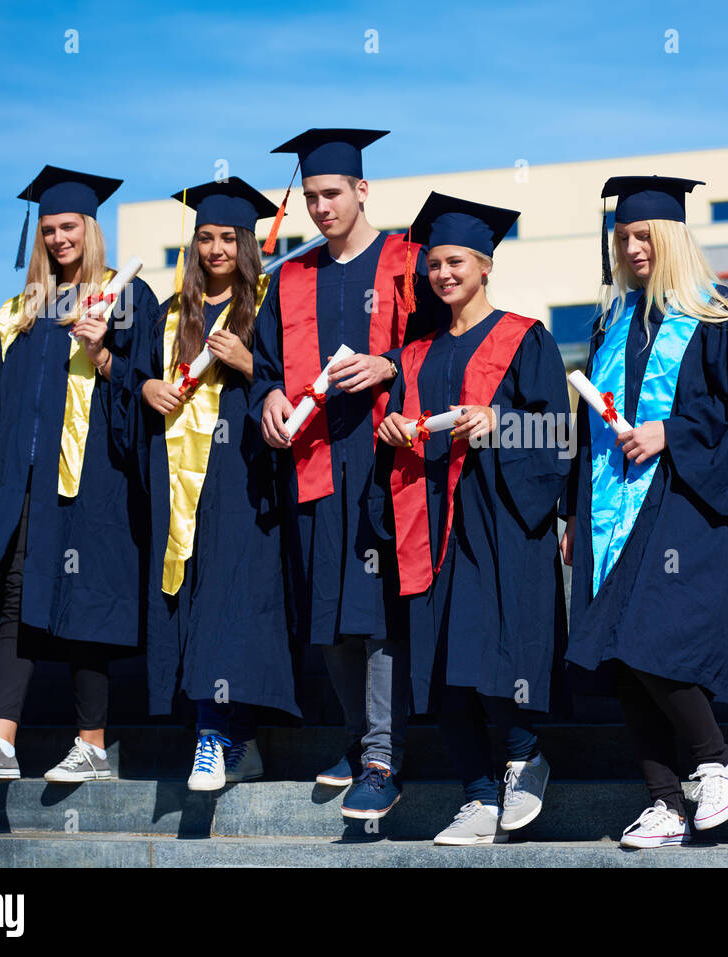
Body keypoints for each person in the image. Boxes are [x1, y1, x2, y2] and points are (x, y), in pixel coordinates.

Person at [563, 175, 728, 848]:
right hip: (610, 507)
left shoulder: (720, 314)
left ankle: (715, 761)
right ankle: (664, 802)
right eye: (624, 236)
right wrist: (574, 512)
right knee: (620, 654)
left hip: (683, 501)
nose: (633, 245)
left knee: (649, 636)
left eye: (645, 234)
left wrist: (670, 432)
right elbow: (585, 429)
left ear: (674, 237)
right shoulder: (611, 322)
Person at [252, 129, 442, 820]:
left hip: (384, 460)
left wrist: (391, 362)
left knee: (376, 614)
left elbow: (448, 341)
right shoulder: (292, 277)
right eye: (310, 197)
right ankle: (358, 737)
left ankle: (382, 757)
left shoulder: (409, 263)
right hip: (314, 464)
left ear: (363, 190)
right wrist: (267, 397)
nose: (322, 207)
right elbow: (267, 370)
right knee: (329, 618)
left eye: (333, 193)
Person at [375, 192, 570, 845]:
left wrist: (501, 421)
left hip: (501, 519)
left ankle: (524, 757)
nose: (443, 273)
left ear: (485, 264)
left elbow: (559, 434)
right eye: (434, 263)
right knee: (441, 660)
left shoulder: (524, 338)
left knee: (491, 648)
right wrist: (393, 426)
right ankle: (478, 795)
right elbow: (401, 428)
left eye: (456, 261)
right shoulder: (416, 353)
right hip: (430, 521)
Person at [0, 166, 158, 783]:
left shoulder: (126, 298)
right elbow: (0, 404)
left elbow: (143, 388)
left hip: (94, 483)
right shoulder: (23, 310)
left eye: (69, 226)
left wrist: (101, 350)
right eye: (48, 229)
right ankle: (0, 742)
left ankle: (92, 745)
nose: (57, 239)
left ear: (90, 230)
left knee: (84, 606)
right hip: (27, 488)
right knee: (14, 599)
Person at [131, 178, 298, 790]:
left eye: (229, 237)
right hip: (177, 481)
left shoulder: (269, 305)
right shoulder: (170, 314)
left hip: (242, 476)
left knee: (233, 602)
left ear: (248, 243)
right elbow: (140, 387)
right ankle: (235, 740)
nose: (216, 248)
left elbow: (295, 386)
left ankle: (214, 736)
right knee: (199, 599)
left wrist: (249, 363)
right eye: (205, 237)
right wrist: (144, 387)